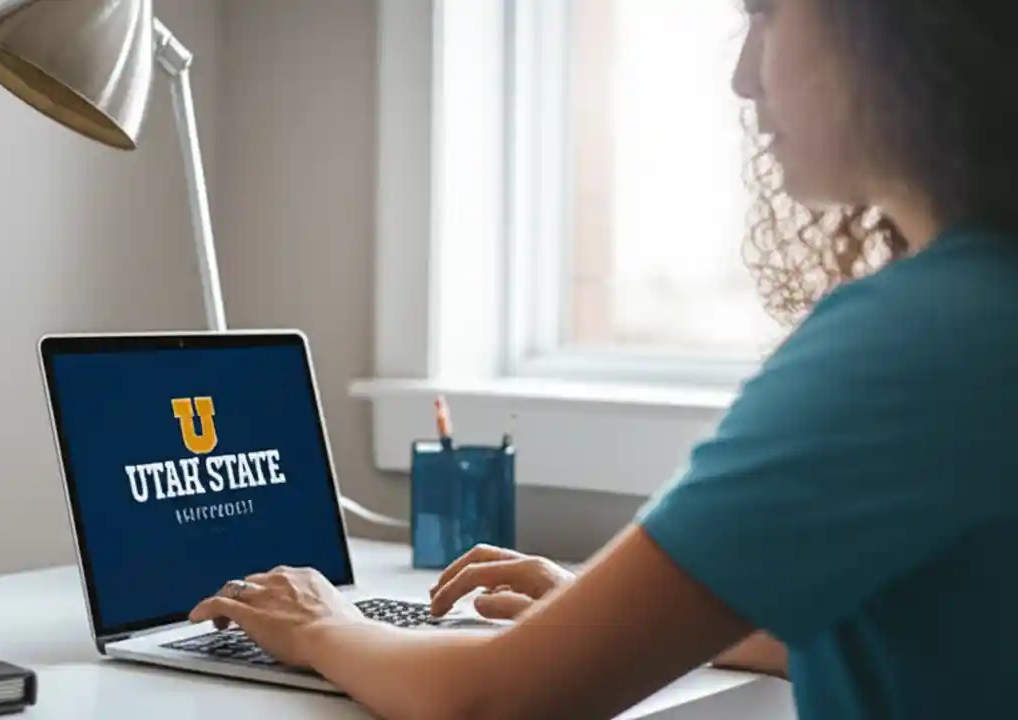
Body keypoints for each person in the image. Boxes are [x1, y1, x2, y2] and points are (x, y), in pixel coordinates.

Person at [189, 0, 1018, 717]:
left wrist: (321, 626)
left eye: (765, 12)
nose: (744, 76)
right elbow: (941, 635)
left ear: (901, 29)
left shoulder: (912, 342)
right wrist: (598, 619)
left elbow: (490, 702)